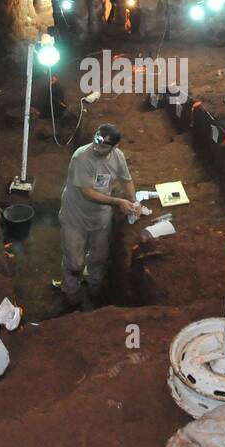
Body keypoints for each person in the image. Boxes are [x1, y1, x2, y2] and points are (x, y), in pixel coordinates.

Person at [58, 123, 138, 309]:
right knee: (75, 263)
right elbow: (88, 192)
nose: (96, 146)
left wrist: (133, 201)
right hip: (75, 218)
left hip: (101, 218)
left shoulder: (117, 157)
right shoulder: (81, 157)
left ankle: (94, 289)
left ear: (114, 147)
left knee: (99, 257)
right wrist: (119, 202)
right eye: (96, 140)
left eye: (102, 145)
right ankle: (71, 294)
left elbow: (126, 180)